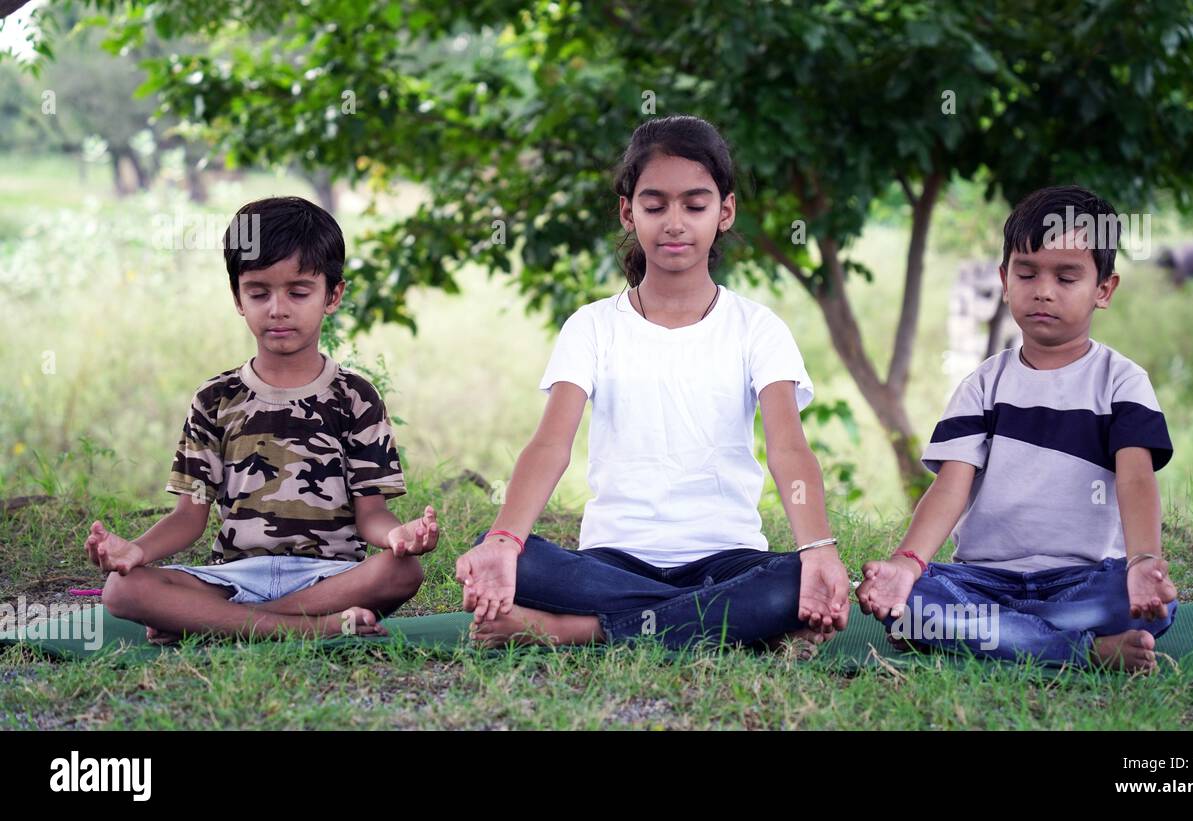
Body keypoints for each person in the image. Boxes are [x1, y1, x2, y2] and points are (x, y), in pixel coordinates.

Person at [455, 115, 851, 650]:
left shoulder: (758, 328)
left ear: (725, 212)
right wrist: (503, 542)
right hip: (613, 560)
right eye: (654, 204)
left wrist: (819, 549)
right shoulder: (592, 326)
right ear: (628, 211)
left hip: (724, 560)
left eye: (695, 204)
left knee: (787, 580)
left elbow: (788, 449)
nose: (674, 222)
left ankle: (573, 631)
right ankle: (720, 625)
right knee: (510, 556)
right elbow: (551, 445)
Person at [858, 185, 1179, 672]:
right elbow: (950, 488)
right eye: (1027, 273)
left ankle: (993, 635)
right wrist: (907, 564)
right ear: (1005, 280)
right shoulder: (983, 385)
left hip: (1083, 581)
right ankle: (1083, 651)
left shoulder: (1122, 382)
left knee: (1138, 604)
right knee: (914, 603)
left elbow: (1137, 479)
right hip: (983, 581)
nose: (1043, 290)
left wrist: (1142, 564)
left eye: (1066, 276)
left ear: (1103, 289)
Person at [88, 196, 437, 644]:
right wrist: (135, 549)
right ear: (237, 297)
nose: (277, 309)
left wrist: (399, 536)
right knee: (123, 589)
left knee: (402, 571)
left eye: (298, 291)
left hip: (330, 578)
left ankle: (216, 622)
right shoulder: (214, 399)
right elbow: (188, 518)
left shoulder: (356, 398)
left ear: (333, 295)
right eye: (258, 292)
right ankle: (310, 629)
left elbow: (372, 514)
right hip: (234, 576)